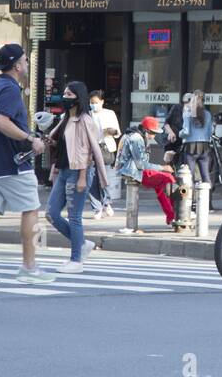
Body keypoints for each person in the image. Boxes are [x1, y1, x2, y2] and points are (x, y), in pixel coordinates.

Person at [0, 44, 54, 285]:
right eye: (25, 59)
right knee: (31, 209)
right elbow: (0, 122)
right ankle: (29, 266)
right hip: (10, 163)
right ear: (17, 65)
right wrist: (30, 139)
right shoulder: (10, 90)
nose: (27, 62)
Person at [45, 81, 108, 274]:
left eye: (69, 94)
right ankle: (82, 244)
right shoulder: (65, 118)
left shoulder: (85, 120)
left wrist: (82, 177)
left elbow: (88, 151)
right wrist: (51, 141)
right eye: (64, 93)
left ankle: (76, 259)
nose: (65, 97)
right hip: (64, 170)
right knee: (51, 213)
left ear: (78, 98)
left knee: (74, 217)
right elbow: (66, 147)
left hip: (79, 172)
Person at [117, 116, 176, 228]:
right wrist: (162, 167)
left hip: (132, 169)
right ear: (146, 130)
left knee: (161, 182)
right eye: (153, 133)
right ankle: (173, 215)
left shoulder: (135, 135)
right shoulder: (137, 139)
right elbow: (142, 164)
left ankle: (172, 215)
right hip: (132, 171)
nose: (153, 136)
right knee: (168, 178)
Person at [87, 90, 121, 219]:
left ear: (102, 102)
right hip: (90, 149)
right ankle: (97, 208)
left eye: (96, 102)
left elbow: (117, 131)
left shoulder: (109, 113)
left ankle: (106, 202)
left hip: (105, 148)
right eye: (91, 103)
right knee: (91, 179)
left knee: (104, 178)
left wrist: (109, 131)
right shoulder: (87, 114)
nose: (94, 105)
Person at [181, 89, 214, 199]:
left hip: (190, 147)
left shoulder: (187, 113)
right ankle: (207, 203)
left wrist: (179, 134)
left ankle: (189, 201)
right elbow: (210, 132)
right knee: (205, 175)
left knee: (188, 176)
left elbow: (186, 132)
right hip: (204, 146)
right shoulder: (208, 114)